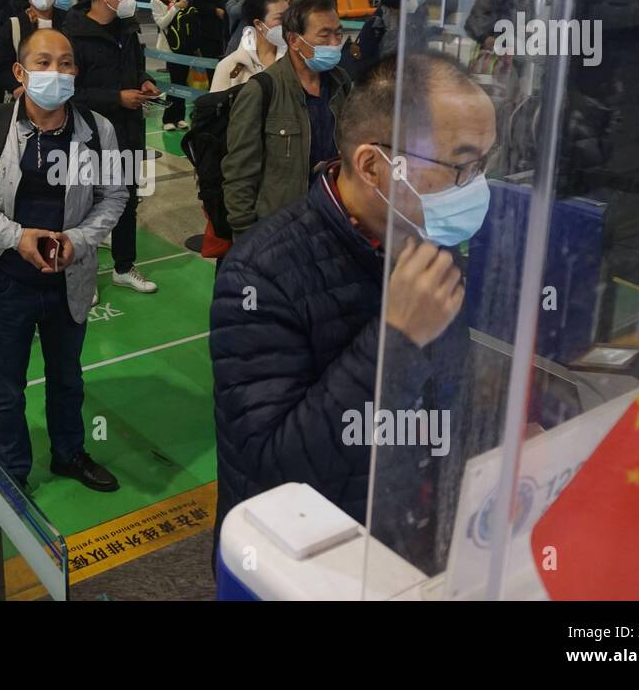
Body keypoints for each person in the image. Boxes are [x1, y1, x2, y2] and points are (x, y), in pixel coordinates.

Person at [211, 55, 495, 569]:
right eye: (461, 166)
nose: (476, 187)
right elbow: (275, 471)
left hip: (411, 540)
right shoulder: (259, 274)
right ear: (372, 166)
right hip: (312, 565)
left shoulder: (433, 241)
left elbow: (449, 396)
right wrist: (397, 341)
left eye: (483, 166)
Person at [0, 27, 128, 491]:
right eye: (43, 63)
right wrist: (16, 237)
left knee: (68, 378)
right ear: (20, 72)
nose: (56, 72)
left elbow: (115, 195)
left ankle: (69, 454)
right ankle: (14, 467)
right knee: (7, 387)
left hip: (70, 279)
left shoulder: (97, 130)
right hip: (8, 280)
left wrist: (78, 241)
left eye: (66, 63)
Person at [221, 0, 353, 238]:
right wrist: (246, 234)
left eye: (338, 33)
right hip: (280, 230)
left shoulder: (341, 83)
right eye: (324, 35)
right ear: (294, 40)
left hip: (332, 222)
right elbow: (239, 172)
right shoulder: (262, 90)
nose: (335, 44)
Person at [68, 0, 161, 294]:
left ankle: (124, 265)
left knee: (127, 200)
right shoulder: (74, 35)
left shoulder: (127, 27)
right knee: (88, 204)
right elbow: (71, 93)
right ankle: (85, 273)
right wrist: (115, 98)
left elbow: (137, 68)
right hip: (90, 136)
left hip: (129, 131)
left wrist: (145, 82)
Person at [0, 0, 71, 99]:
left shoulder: (69, 21)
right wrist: (16, 88)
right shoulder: (14, 25)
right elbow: (2, 67)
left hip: (63, 92)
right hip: (27, 94)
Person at [211, 0, 289, 92]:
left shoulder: (296, 61)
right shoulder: (227, 67)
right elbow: (216, 107)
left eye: (289, 16)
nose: (288, 23)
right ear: (258, 24)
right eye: (280, 18)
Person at [351, 0, 429, 84]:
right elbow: (364, 61)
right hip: (380, 82)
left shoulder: (412, 16)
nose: (418, 1)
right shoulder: (377, 23)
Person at [150, 0, 190, 131]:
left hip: (184, 46)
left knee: (182, 82)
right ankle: (168, 118)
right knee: (174, 82)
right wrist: (175, 8)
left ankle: (180, 117)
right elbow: (162, 23)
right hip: (169, 48)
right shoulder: (156, 1)